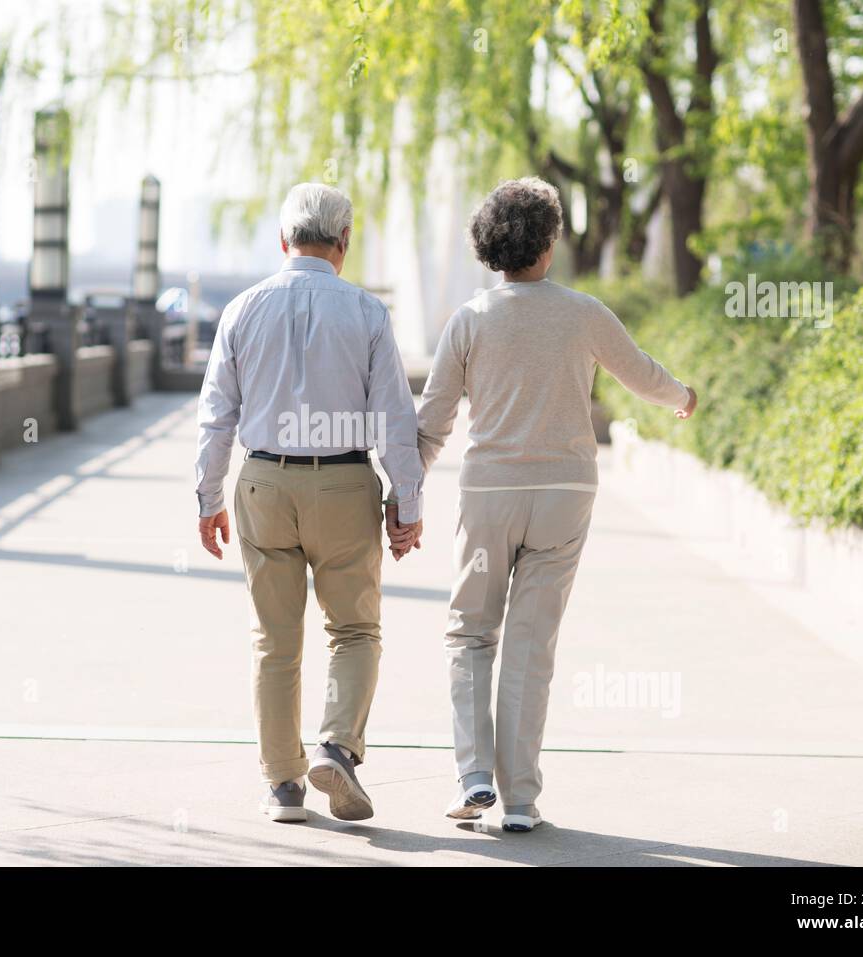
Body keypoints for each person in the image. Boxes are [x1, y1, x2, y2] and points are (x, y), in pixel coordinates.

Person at [396, 177, 697, 832]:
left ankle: (474, 775)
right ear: (550, 241)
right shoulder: (583, 312)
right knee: (531, 643)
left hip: (489, 495)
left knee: (471, 631)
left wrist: (403, 494)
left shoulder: (469, 320)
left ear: (491, 245)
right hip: (565, 492)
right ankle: (522, 801)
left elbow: (434, 420)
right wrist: (680, 396)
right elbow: (640, 371)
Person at [195, 182, 425, 823]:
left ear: (282, 240)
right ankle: (337, 748)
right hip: (345, 484)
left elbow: (216, 417)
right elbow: (393, 421)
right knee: (353, 629)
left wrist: (208, 496)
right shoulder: (368, 312)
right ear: (344, 242)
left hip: (265, 481)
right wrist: (407, 504)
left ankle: (284, 786)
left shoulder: (241, 309)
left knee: (275, 640)